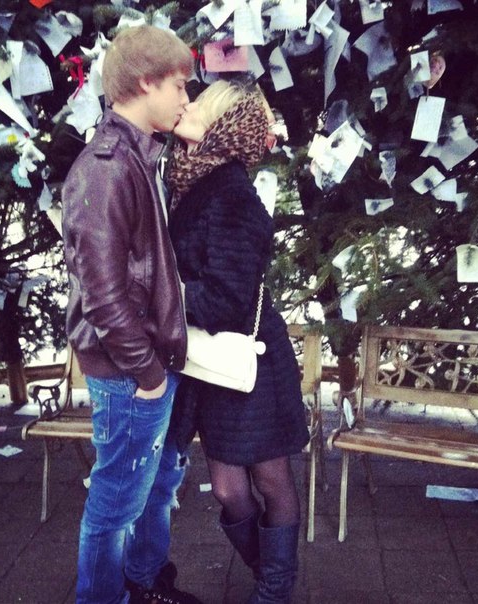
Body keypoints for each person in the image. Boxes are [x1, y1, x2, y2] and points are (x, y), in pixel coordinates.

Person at [61, 25, 202, 604]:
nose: (186, 100)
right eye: (179, 86)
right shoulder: (107, 167)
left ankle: (141, 586)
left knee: (152, 489)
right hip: (129, 372)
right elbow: (103, 294)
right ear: (146, 82)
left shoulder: (138, 155)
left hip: (144, 365)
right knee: (115, 504)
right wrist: (147, 375)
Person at [167, 79, 310, 604]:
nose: (187, 104)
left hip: (249, 360)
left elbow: (226, 299)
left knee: (270, 480)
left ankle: (274, 590)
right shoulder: (192, 180)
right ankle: (271, 572)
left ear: (221, 123)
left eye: (200, 102)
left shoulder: (231, 195)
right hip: (211, 361)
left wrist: (161, 295)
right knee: (228, 489)